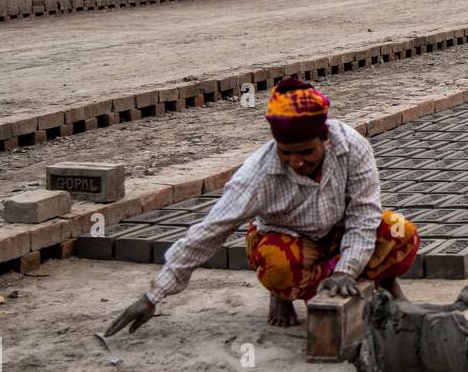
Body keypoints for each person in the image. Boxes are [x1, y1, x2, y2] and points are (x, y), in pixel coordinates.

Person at [104, 77, 419, 336]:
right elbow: (210, 231)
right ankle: (284, 295)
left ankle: (386, 282)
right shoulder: (258, 174)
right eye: (287, 153)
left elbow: (364, 215)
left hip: (338, 229)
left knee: (399, 232)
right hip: (286, 237)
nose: (296, 162)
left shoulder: (352, 147)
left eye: (306, 151)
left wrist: (347, 270)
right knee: (279, 265)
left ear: (325, 138)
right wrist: (152, 295)